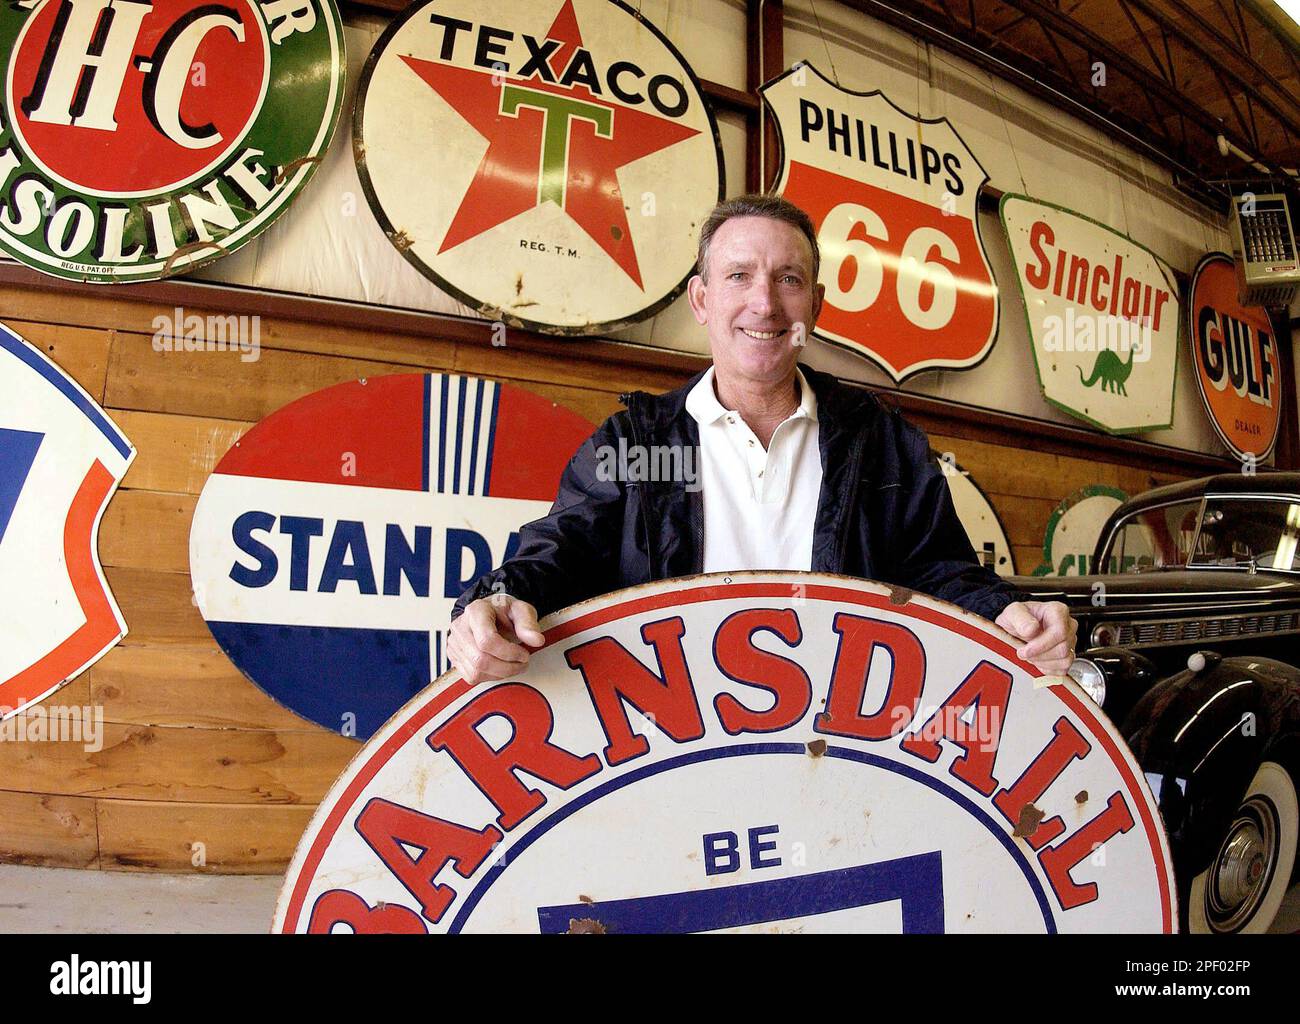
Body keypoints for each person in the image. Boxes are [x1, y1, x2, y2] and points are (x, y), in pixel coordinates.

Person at [449, 194, 1076, 685]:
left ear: (817, 306)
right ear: (701, 298)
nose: (764, 305)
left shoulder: (876, 438)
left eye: (788, 279)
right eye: (739, 276)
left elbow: (936, 568)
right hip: (668, 756)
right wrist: (498, 602)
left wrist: (1005, 611)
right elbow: (563, 551)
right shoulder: (643, 441)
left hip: (847, 753)